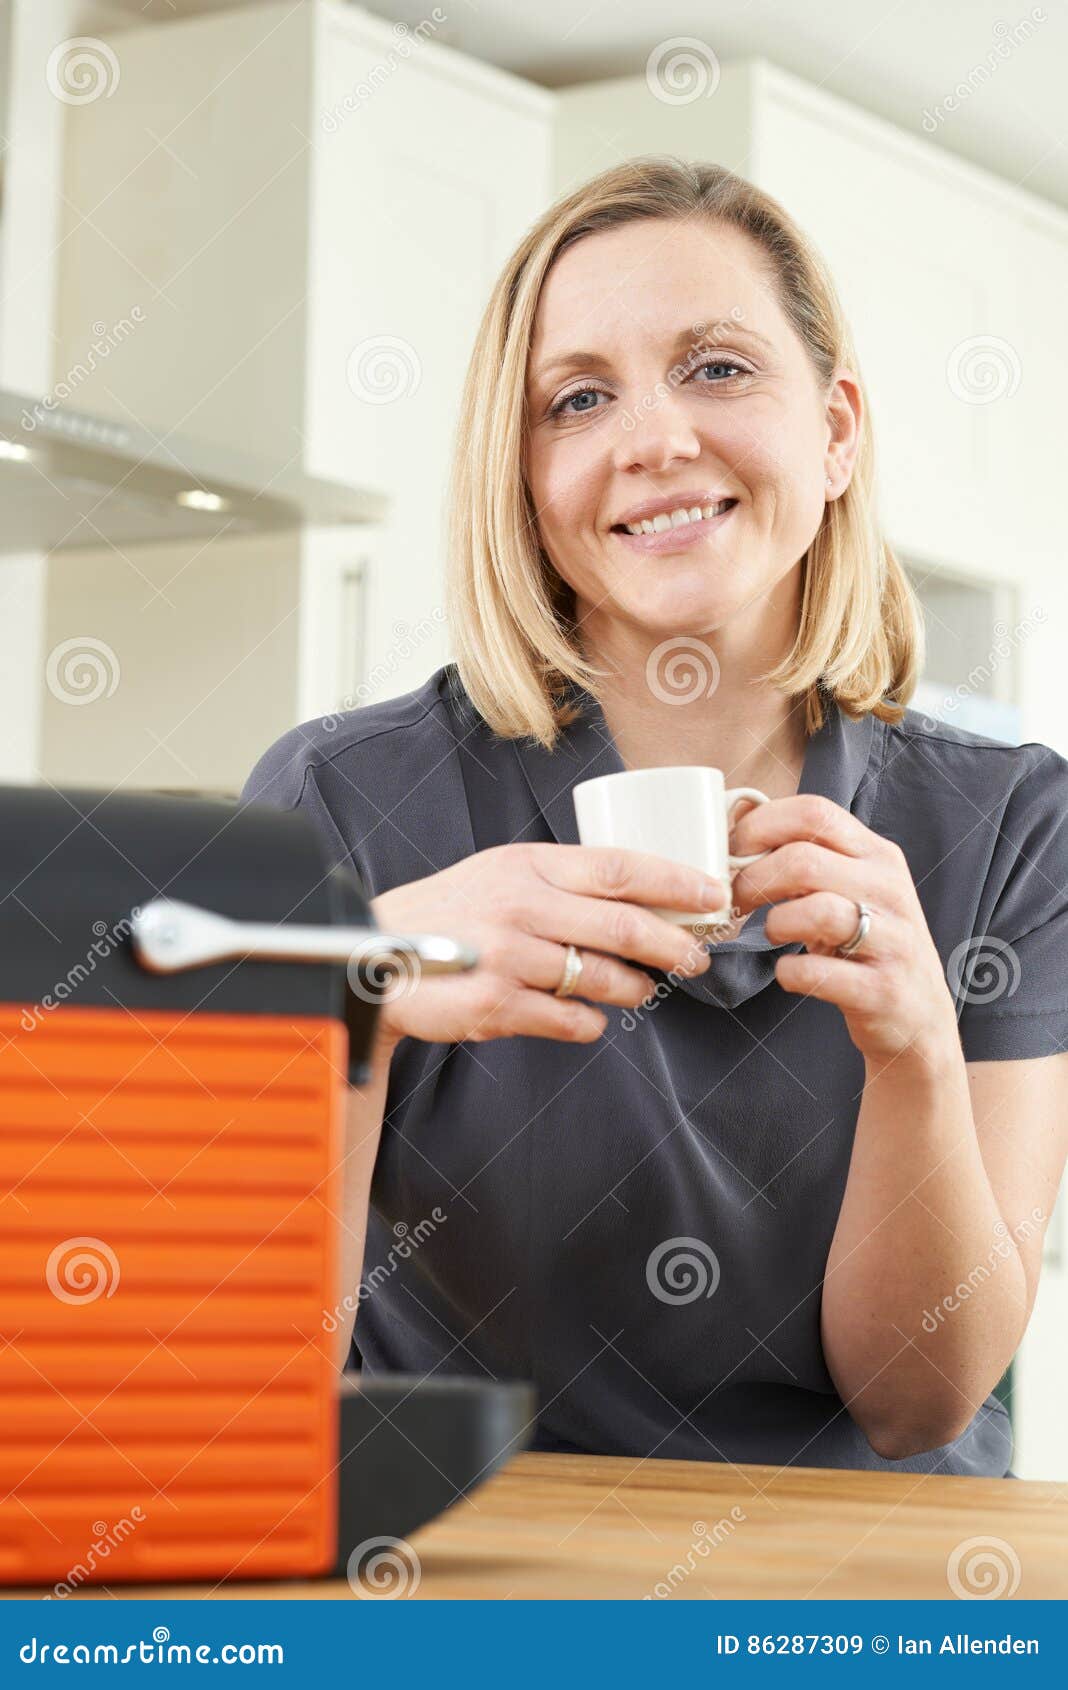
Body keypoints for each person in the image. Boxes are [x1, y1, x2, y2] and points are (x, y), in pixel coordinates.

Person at [242, 157, 1068, 1478]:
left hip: (867, 1595)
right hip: (476, 1576)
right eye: (577, 398)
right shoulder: (342, 799)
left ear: (838, 428)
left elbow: (916, 1403)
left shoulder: (1015, 822)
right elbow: (253, 1384)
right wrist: (360, 997)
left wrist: (915, 1050)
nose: (656, 440)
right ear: (522, 474)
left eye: (719, 368)